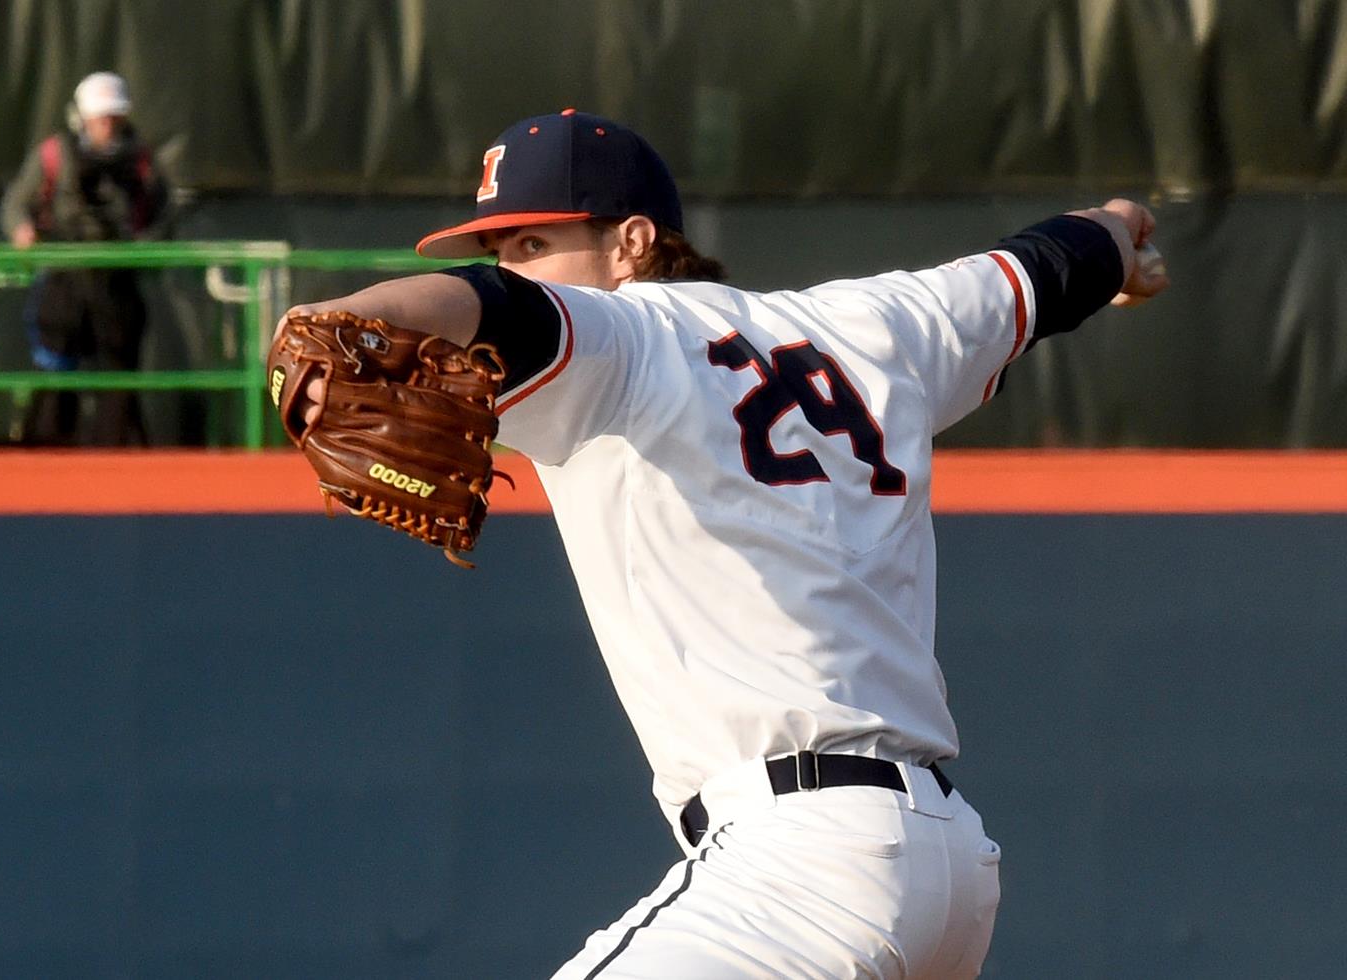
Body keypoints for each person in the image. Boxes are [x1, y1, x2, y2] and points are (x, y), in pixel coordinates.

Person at [281, 109, 1168, 978]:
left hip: (801, 865)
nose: (516, 265)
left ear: (631, 242)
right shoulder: (883, 323)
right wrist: (1124, 242)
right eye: (504, 250)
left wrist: (333, 324)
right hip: (946, 867)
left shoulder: (625, 336)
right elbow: (1051, 262)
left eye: (531, 242)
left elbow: (493, 306)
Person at [0, 71, 176, 446]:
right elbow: (17, 204)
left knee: (119, 374)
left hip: (118, 279)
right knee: (56, 369)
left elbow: (163, 214)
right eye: (100, 117)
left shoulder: (142, 161)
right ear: (81, 117)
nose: (107, 125)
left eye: (114, 116)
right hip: (65, 276)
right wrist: (22, 230)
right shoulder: (53, 155)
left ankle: (119, 458)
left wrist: (147, 244)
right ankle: (48, 452)